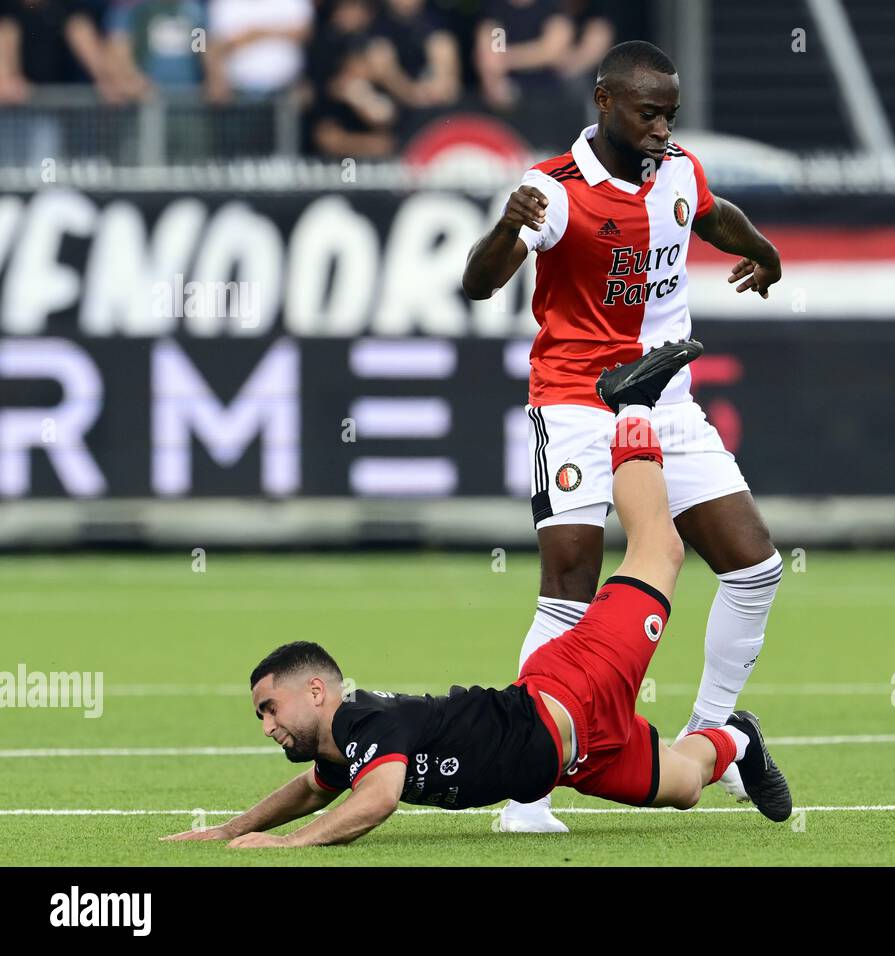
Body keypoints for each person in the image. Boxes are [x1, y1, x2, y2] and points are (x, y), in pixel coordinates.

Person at [161, 342, 792, 849]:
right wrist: (229, 829)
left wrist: (292, 848)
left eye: (271, 707)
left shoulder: (362, 720)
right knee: (684, 784)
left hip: (571, 693)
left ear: (318, 691)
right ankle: (740, 738)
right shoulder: (340, 750)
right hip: (575, 757)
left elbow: (377, 800)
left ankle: (631, 408)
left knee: (659, 550)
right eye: (261, 716)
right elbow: (310, 789)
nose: (267, 725)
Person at [461, 40, 784, 834]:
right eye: (648, 113)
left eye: (671, 113)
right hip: (574, 403)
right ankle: (526, 794)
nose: (662, 127)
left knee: (755, 566)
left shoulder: (677, 167)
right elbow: (477, 283)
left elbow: (712, 214)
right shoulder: (553, 189)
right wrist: (506, 228)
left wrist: (762, 251)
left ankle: (713, 733)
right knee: (570, 582)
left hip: (665, 401)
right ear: (604, 102)